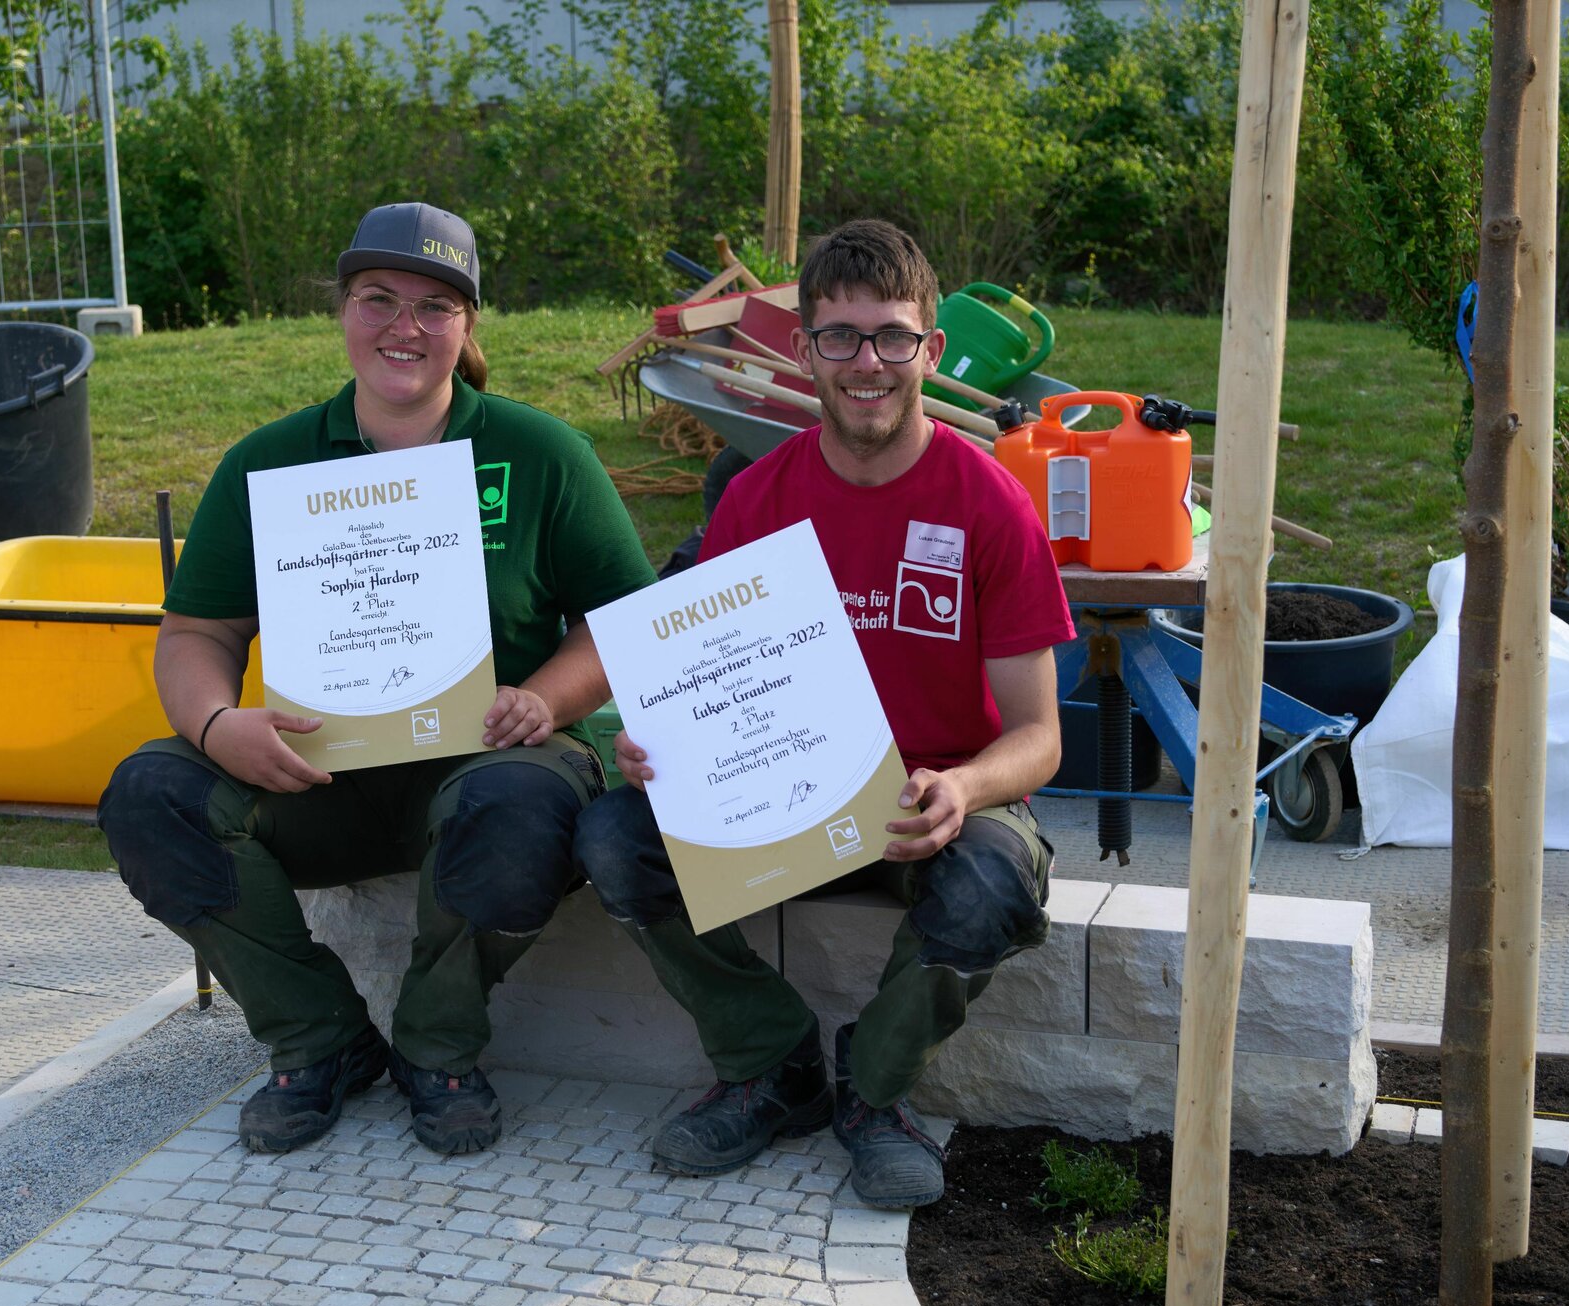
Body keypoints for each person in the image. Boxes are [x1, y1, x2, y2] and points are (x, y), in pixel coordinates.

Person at [99, 203, 655, 1158]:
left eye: (436, 306)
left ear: (468, 325)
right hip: (320, 777)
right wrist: (214, 724)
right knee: (151, 793)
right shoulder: (269, 462)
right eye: (379, 299)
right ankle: (318, 1040)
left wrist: (549, 698)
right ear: (342, 311)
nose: (405, 326)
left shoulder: (538, 453)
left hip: (488, 768)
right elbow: (196, 630)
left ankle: (437, 1048)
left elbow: (622, 622)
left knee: (523, 804)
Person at [573, 219, 1076, 1209]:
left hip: (923, 811)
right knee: (610, 836)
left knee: (995, 883)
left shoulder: (988, 505)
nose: (866, 364)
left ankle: (874, 1093)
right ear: (802, 352)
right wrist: (657, 743)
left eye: (891, 337)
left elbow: (1039, 736)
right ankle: (770, 1066)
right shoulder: (755, 499)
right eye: (838, 338)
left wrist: (963, 786)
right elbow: (695, 680)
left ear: (930, 350)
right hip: (784, 805)